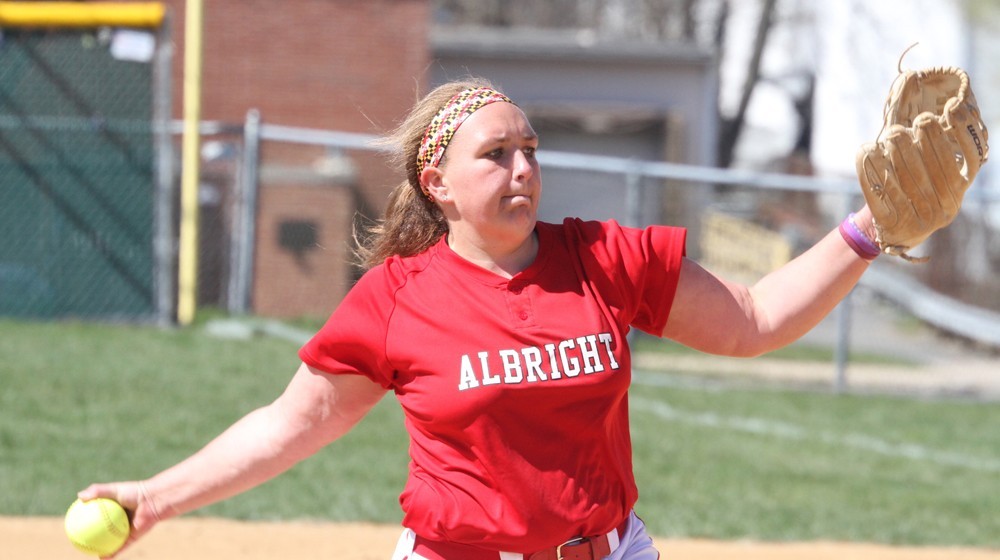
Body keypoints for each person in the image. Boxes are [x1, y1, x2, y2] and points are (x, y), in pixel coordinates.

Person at [79, 77, 884, 560]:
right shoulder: (399, 297)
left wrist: (868, 229)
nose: (523, 168)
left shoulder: (607, 258)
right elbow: (295, 423)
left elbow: (753, 319)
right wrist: (154, 499)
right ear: (438, 181)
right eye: (495, 154)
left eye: (529, 148)